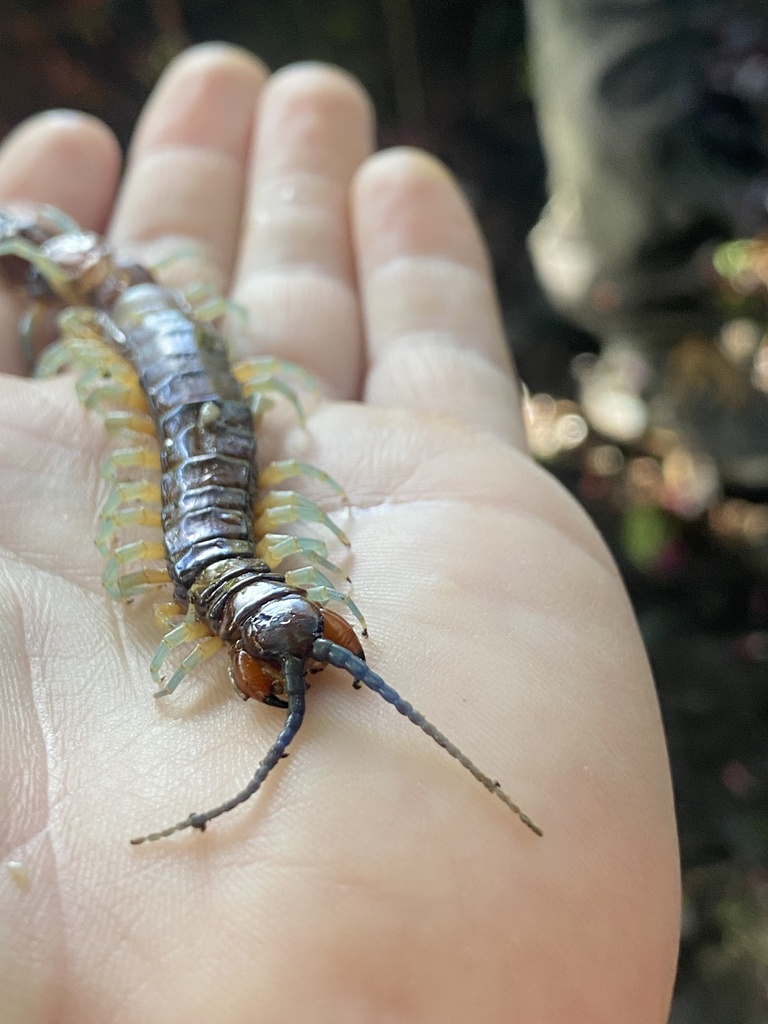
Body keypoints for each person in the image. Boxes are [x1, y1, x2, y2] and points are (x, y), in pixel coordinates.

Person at [0, 44, 679, 1022]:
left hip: (168, 378)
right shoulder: (211, 573)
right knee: (150, 340)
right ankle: (32, 245)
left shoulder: (216, 565)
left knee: (179, 385)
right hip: (133, 320)